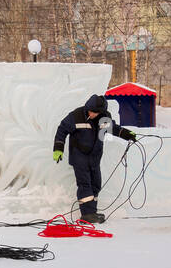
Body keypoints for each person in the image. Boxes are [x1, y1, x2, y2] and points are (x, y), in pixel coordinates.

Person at [53, 94, 137, 224]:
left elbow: (113, 128)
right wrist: (58, 147)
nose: (91, 113)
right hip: (79, 155)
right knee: (84, 184)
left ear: (101, 112)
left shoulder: (105, 118)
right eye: (90, 111)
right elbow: (62, 129)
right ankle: (87, 214)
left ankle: (92, 211)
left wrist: (126, 134)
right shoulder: (77, 115)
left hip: (94, 157)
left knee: (96, 183)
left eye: (94, 112)